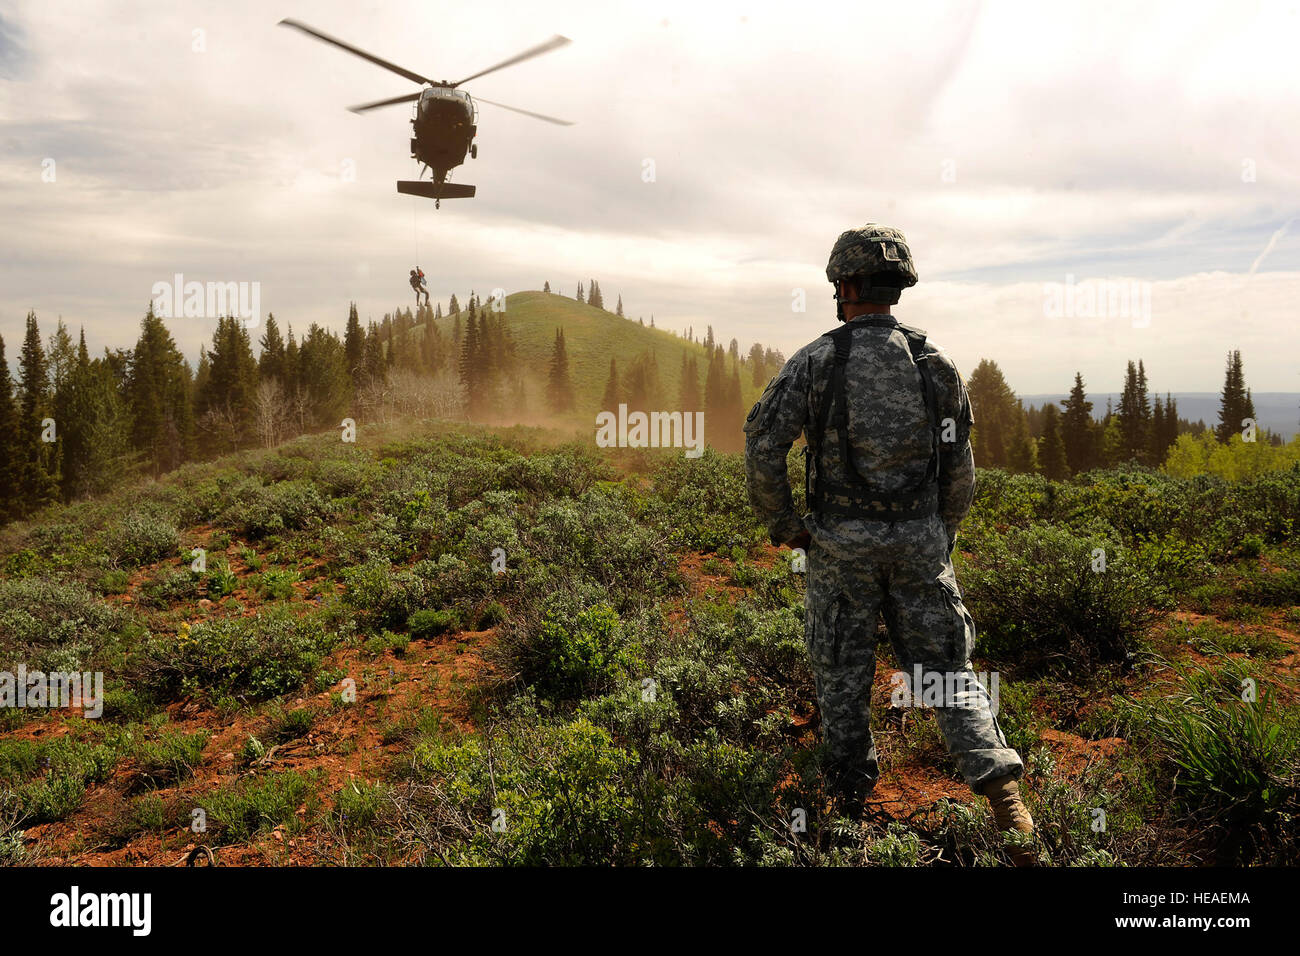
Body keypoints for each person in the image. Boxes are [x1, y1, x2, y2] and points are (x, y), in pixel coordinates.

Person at [742, 223, 1036, 865]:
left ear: (843, 285)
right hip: (919, 545)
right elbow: (960, 468)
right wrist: (939, 536)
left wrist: (785, 524)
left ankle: (846, 813)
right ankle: (1008, 804)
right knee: (946, 675)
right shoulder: (936, 365)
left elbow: (763, 443)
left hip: (839, 546)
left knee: (842, 672)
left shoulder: (816, 360)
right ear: (897, 287)